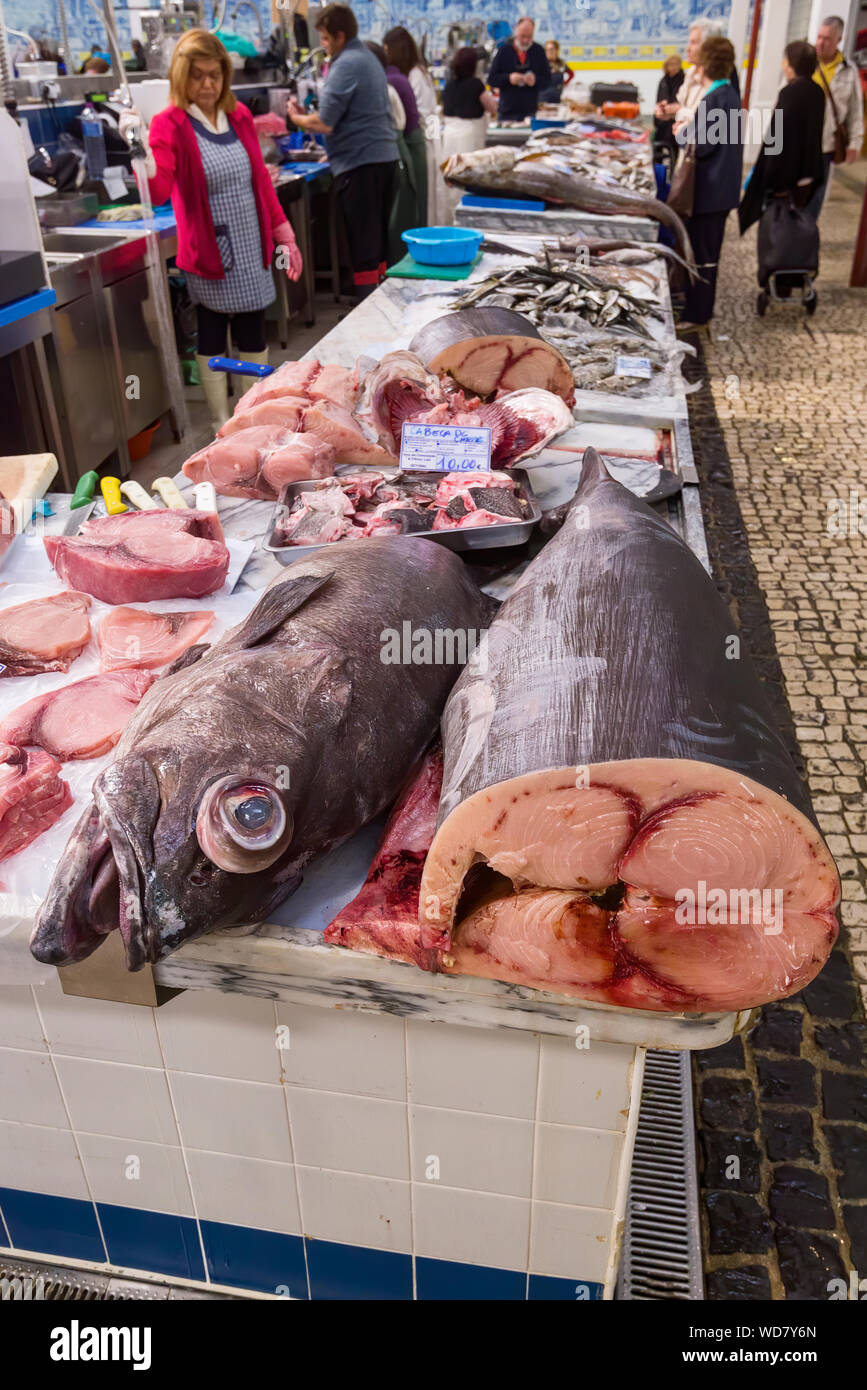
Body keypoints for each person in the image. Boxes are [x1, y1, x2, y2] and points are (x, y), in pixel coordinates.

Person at [119, 29, 302, 432]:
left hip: (252, 245)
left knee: (255, 332)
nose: (207, 84)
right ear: (181, 78)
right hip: (209, 251)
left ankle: (255, 415)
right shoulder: (170, 124)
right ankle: (222, 421)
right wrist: (140, 151)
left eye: (215, 75)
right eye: (198, 75)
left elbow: (259, 179)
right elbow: (159, 189)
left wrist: (284, 234)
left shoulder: (237, 115)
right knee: (213, 334)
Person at [289, 6, 397, 300]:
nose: (322, 45)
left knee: (364, 246)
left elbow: (324, 121)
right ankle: (379, 304)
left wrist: (295, 118)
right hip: (383, 159)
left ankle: (366, 312)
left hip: (362, 164)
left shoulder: (347, 62)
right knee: (376, 244)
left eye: (325, 39)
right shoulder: (368, 58)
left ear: (340, 36)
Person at [676, 36, 743, 331]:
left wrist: (683, 130)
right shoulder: (730, 94)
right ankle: (698, 306)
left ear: (705, 65)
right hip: (721, 189)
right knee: (707, 253)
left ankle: (697, 314)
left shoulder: (715, 99)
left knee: (704, 255)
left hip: (709, 192)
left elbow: (703, 145)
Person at [739, 42, 825, 232]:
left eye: (785, 61)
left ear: (792, 64)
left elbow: (777, 138)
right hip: (807, 173)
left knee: (777, 227)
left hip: (785, 177)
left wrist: (768, 176)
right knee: (796, 224)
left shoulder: (790, 93)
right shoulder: (818, 92)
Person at [365, 40, 423, 257]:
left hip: (395, 153)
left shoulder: (384, 88)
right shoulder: (388, 83)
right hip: (399, 152)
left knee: (399, 222)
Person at [807, 14, 865, 218]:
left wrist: (855, 144)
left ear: (839, 40)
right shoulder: (805, 62)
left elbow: (856, 111)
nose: (820, 43)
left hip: (825, 146)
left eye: (827, 39)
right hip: (799, 143)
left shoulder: (848, 71)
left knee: (815, 199)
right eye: (819, 37)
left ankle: (805, 240)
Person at [383, 26, 441, 225]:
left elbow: (423, 114)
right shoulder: (410, 74)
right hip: (423, 140)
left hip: (423, 141)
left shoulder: (416, 75)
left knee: (425, 204)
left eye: (387, 51)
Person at [441, 46, 498, 221]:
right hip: (469, 135)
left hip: (449, 135)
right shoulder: (476, 84)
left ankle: (450, 221)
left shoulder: (449, 86)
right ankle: (467, 220)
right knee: (469, 179)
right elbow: (492, 107)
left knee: (451, 180)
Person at [487, 17, 551, 123]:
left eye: (529, 37)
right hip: (507, 113)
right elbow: (492, 79)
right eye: (522, 36)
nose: (526, 40)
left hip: (531, 112)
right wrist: (509, 78)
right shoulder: (504, 50)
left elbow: (547, 81)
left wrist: (535, 81)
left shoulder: (538, 51)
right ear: (516, 31)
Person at [653, 53, 685, 162]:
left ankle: (674, 173)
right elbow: (658, 99)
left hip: (676, 121)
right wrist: (660, 107)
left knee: (675, 151)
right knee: (657, 147)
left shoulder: (683, 80)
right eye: (671, 65)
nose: (674, 67)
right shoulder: (664, 80)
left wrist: (672, 109)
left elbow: (682, 102)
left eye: (676, 64)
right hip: (662, 122)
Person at [538, 39, 573, 104]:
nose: (549, 52)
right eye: (547, 50)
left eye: (551, 49)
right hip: (543, 97)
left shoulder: (561, 63)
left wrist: (565, 83)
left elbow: (571, 74)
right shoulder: (542, 63)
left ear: (556, 50)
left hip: (557, 96)